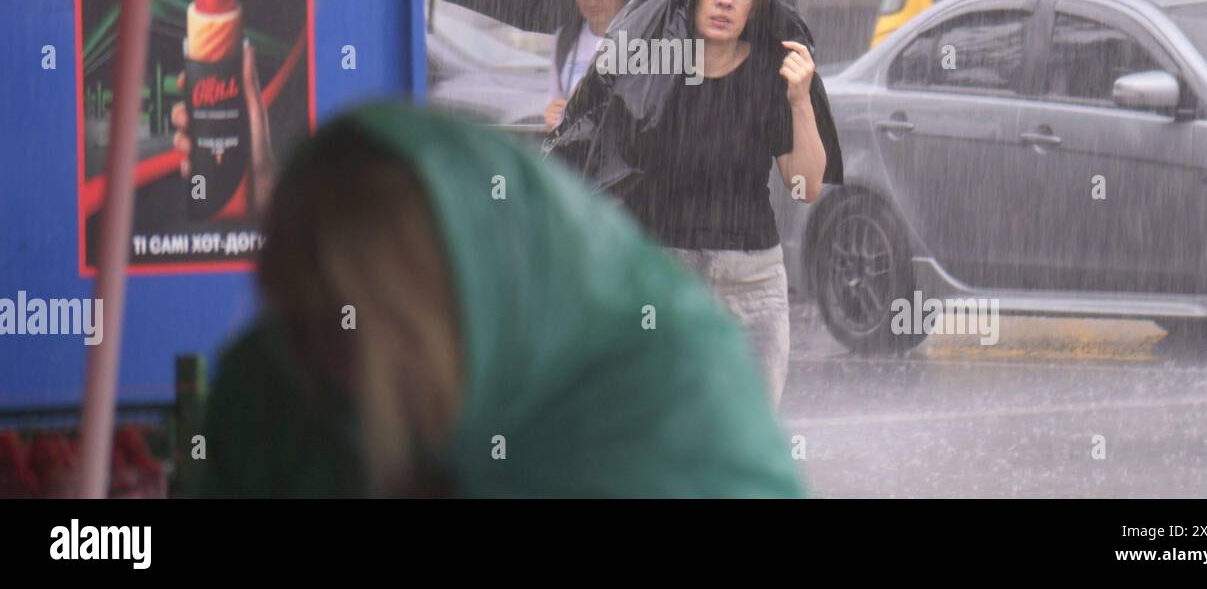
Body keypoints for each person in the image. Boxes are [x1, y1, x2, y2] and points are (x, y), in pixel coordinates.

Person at [199, 102, 803, 497]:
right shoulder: (277, 384)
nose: (317, 359)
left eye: (346, 326)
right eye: (298, 318)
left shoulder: (671, 393)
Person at [546, 0, 843, 405]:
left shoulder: (772, 76)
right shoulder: (651, 73)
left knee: (746, 440)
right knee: (667, 435)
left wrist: (801, 101)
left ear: (756, 4)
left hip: (751, 283)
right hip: (666, 280)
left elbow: (804, 187)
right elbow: (600, 164)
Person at [544, 0, 632, 129]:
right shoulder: (565, 39)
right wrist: (552, 116)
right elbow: (554, 103)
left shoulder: (646, 38)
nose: (591, 1)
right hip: (574, 154)